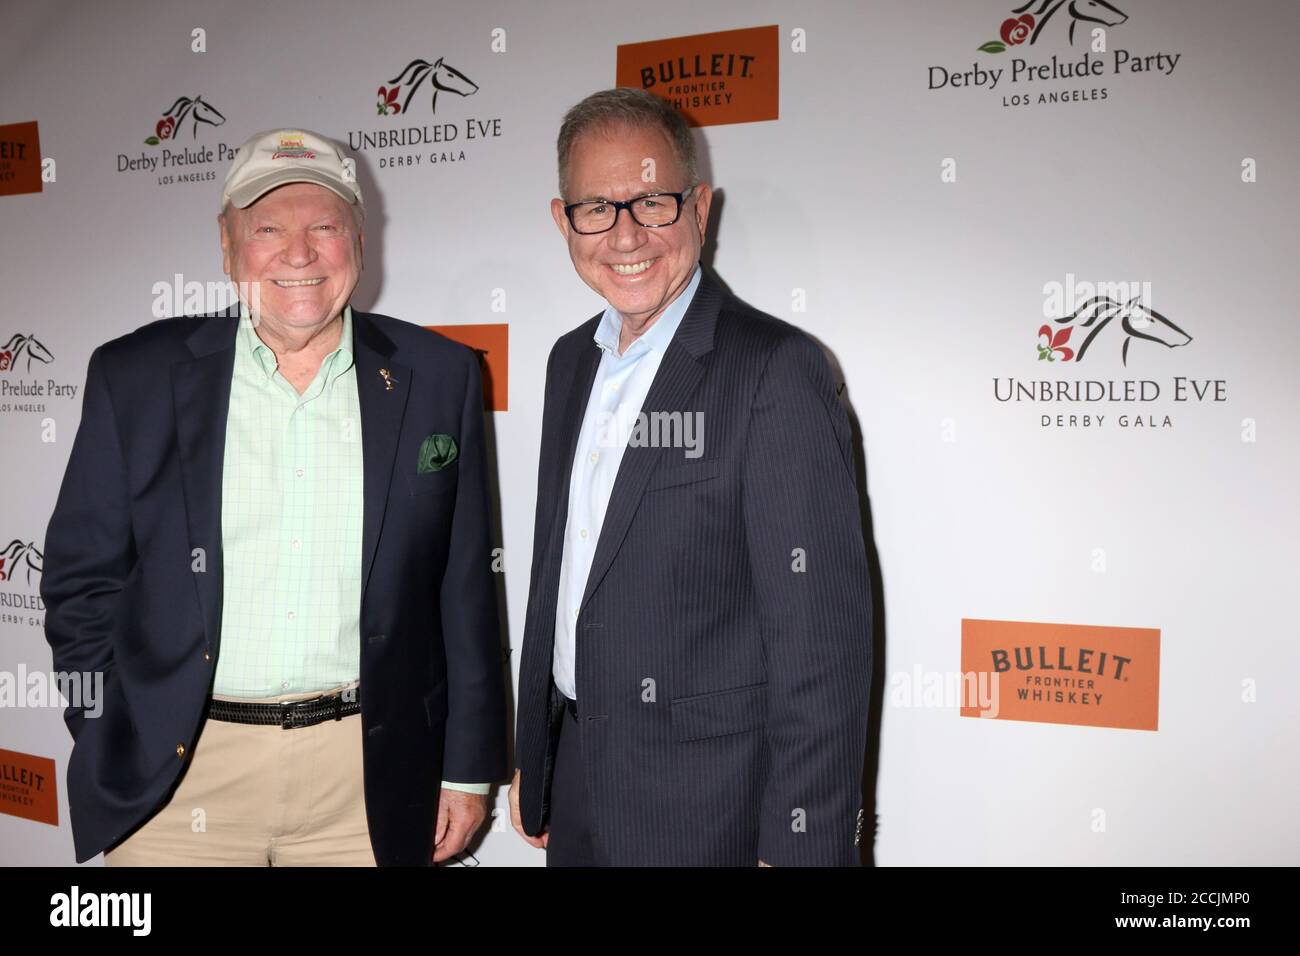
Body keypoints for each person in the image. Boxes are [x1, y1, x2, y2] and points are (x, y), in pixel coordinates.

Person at [41, 128, 506, 866]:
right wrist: (112, 727)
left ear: (358, 239)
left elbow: (465, 587)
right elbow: (81, 579)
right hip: (180, 782)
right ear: (228, 249)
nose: (299, 254)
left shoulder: (439, 375)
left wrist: (466, 764)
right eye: (268, 229)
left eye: (324, 225)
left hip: (368, 780)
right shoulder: (136, 376)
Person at [509, 89, 873, 866]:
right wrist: (536, 755)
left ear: (700, 208)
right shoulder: (569, 360)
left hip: (715, 810)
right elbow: (564, 570)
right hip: (578, 777)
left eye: (654, 202)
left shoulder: (774, 369)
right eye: (597, 209)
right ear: (562, 220)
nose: (626, 235)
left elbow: (821, 642)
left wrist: (801, 846)